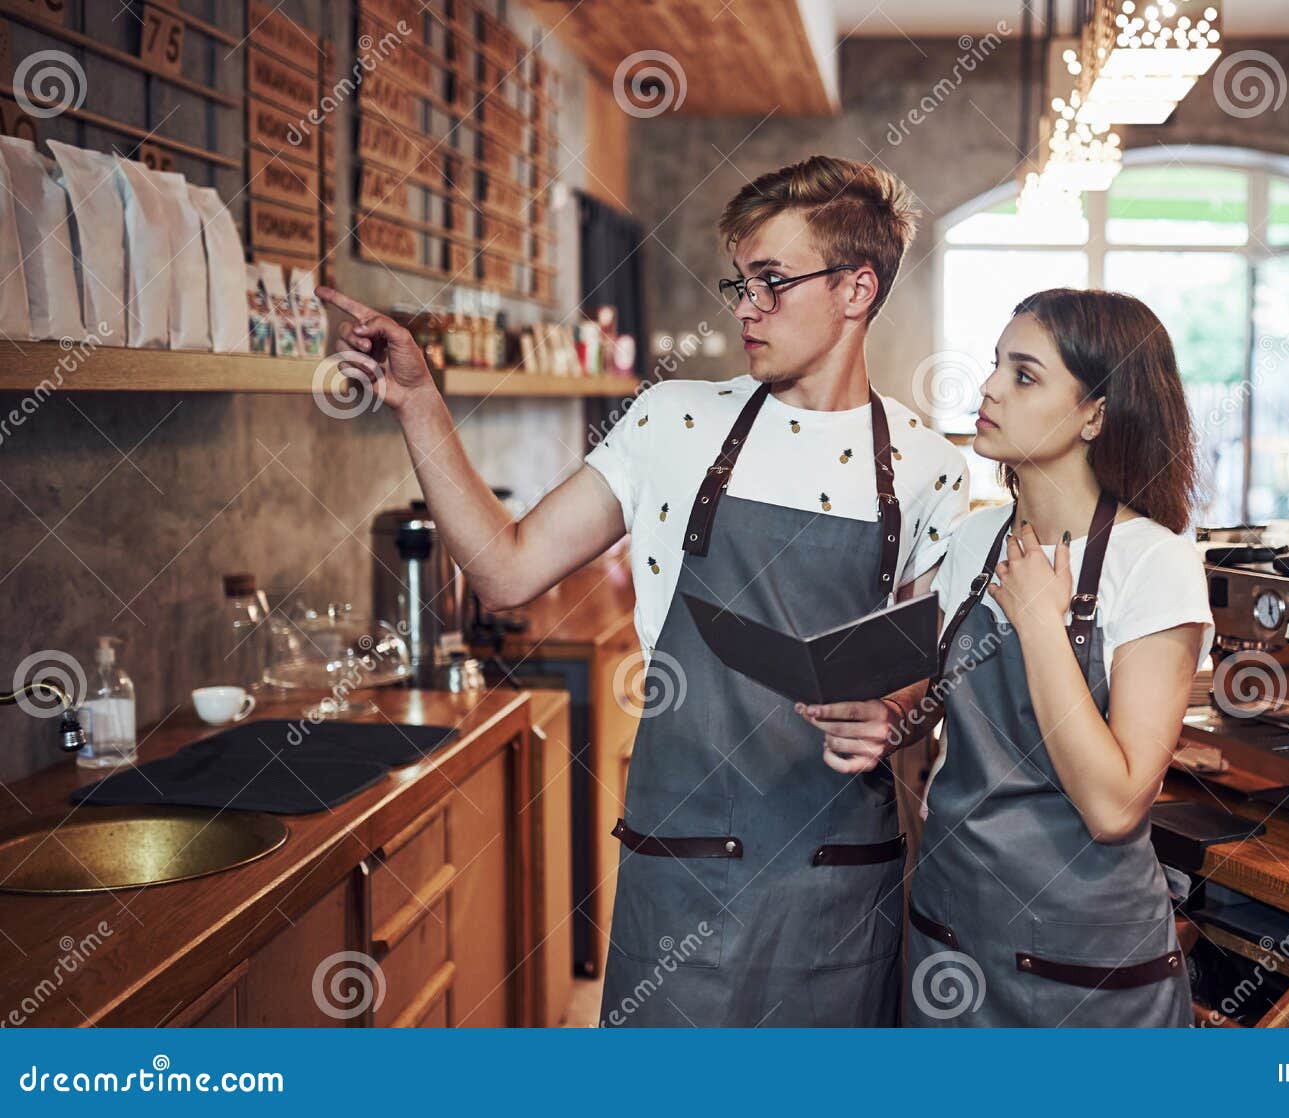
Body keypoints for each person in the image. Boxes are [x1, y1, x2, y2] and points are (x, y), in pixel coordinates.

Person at [317, 155, 969, 1027]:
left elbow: (930, 677)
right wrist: (420, 404)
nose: (745, 305)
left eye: (772, 282)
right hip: (683, 876)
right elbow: (506, 569)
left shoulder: (928, 467)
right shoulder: (676, 422)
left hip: (838, 883)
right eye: (742, 281)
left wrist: (896, 710)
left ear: (857, 288)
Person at [903, 289, 1213, 1028]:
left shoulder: (1156, 564)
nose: (987, 388)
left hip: (1087, 966)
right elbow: (923, 733)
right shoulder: (973, 543)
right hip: (950, 935)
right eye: (994, 366)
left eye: (1024, 374)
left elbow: (1114, 805)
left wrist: (1043, 625)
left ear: (1095, 416)